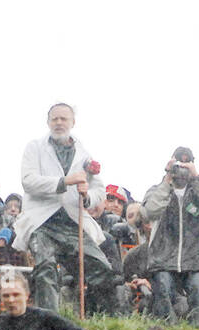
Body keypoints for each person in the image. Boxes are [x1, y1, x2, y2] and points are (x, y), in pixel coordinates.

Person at [11, 103, 119, 313]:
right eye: (55, 119)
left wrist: (87, 195)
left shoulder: (84, 154)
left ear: (73, 122)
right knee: (45, 268)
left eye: (64, 119)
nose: (59, 123)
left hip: (71, 220)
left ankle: (99, 318)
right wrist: (64, 181)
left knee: (101, 267)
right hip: (42, 220)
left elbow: (99, 189)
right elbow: (28, 181)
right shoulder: (35, 147)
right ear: (48, 122)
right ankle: (48, 321)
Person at [141, 147, 199, 327]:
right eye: (178, 163)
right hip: (163, 257)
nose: (182, 170)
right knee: (163, 288)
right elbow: (149, 211)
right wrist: (167, 181)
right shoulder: (157, 190)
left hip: (195, 258)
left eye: (187, 163)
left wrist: (197, 178)